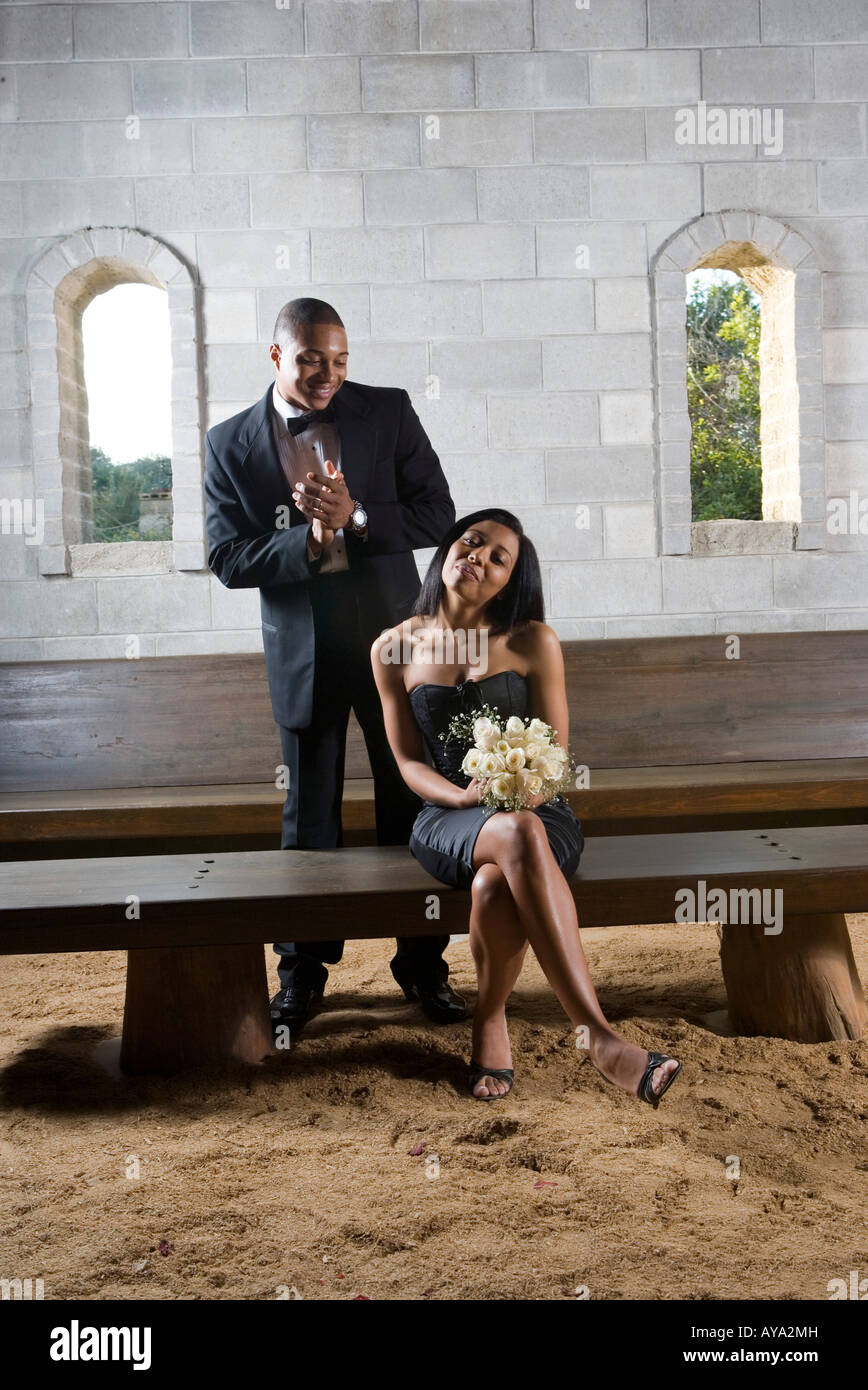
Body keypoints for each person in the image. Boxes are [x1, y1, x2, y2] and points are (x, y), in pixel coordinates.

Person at [204, 297, 467, 1033]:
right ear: (276, 356)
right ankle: (301, 976)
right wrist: (311, 543)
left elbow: (439, 516)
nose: (329, 375)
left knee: (413, 807)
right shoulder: (229, 443)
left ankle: (423, 966)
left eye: (341, 359)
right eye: (313, 359)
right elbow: (225, 558)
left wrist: (354, 517)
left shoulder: (388, 411)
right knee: (307, 820)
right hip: (304, 657)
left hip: (395, 646)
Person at [370, 508, 682, 1105]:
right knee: (509, 837)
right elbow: (408, 763)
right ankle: (597, 1037)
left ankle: (490, 1019)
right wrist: (462, 794)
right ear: (446, 549)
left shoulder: (533, 641)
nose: (478, 559)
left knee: (495, 882)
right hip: (447, 817)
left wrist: (523, 793)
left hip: (541, 811)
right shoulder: (393, 647)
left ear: (510, 580)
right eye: (472, 542)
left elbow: (558, 756)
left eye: (498, 558)